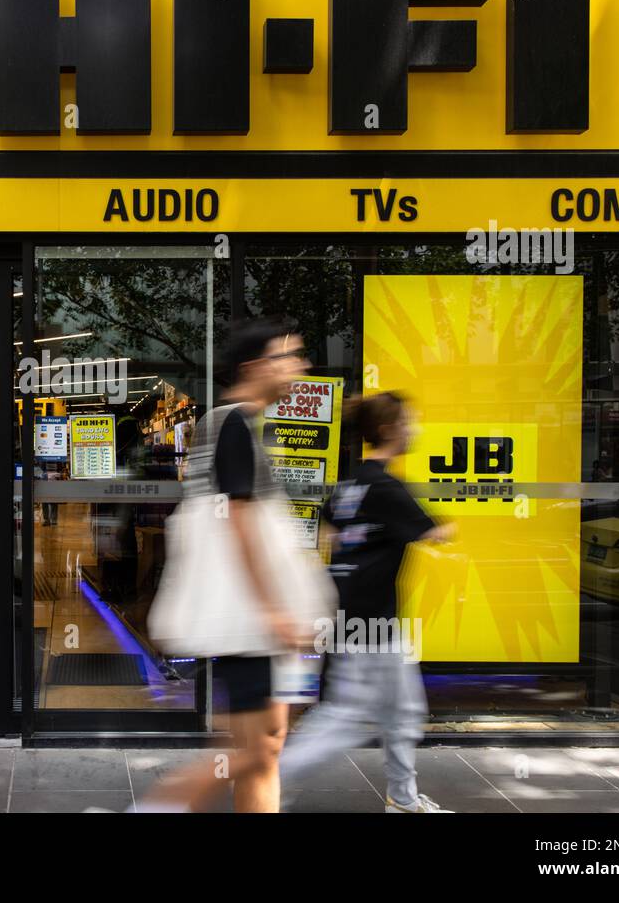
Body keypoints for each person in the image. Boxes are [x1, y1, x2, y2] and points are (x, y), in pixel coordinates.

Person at [137, 320, 315, 813]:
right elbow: (241, 524)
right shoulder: (232, 423)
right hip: (248, 618)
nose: (299, 367)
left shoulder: (239, 423)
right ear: (255, 366)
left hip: (251, 619)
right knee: (256, 748)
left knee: (268, 745)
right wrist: (274, 607)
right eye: (289, 357)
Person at [277, 391, 456, 813]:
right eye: (409, 422)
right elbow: (434, 532)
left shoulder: (351, 482)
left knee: (403, 712)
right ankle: (270, 781)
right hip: (372, 622)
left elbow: (331, 529)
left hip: (355, 616)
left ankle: (404, 799)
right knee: (345, 719)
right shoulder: (388, 487)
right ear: (389, 430)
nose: (415, 429)